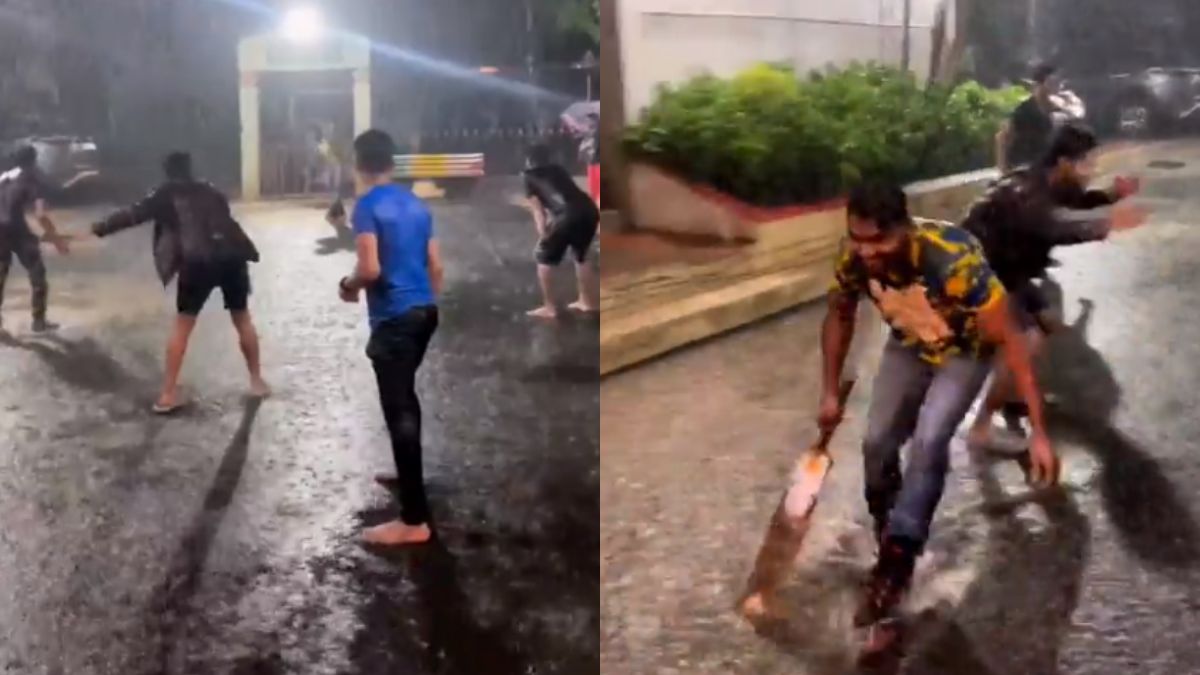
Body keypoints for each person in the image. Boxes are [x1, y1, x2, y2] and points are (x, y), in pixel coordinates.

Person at [819, 183, 1058, 628]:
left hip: (964, 353)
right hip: (909, 344)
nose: (867, 252)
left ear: (905, 230)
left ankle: (897, 561)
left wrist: (1039, 432)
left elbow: (1011, 339)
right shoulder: (853, 256)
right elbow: (840, 314)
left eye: (879, 241)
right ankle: (888, 529)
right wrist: (830, 392)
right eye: (858, 238)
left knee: (930, 440)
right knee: (876, 445)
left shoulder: (954, 259)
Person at [964, 124, 1143, 447]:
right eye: (1086, 163)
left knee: (1047, 324)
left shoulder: (1053, 183)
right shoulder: (1026, 192)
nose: (1092, 170)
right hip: (979, 272)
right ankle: (981, 428)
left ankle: (1010, 392)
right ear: (1063, 162)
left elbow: (1074, 203)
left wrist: (1113, 195)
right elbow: (1052, 225)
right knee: (1026, 341)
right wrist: (1105, 225)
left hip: (1010, 269)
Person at [91, 152, 269, 413]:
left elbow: (134, 214)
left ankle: (167, 394)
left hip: (196, 264)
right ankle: (256, 382)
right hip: (232, 258)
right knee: (241, 318)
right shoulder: (211, 190)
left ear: (167, 172)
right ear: (190, 168)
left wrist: (100, 228)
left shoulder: (165, 194)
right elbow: (226, 222)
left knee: (183, 325)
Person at [337, 129, 444, 546]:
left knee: (399, 408)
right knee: (406, 400)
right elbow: (436, 266)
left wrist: (347, 286)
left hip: (395, 320)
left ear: (359, 164)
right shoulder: (416, 204)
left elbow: (370, 269)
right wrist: (419, 302)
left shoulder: (366, 207)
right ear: (392, 163)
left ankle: (414, 521)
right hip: (424, 313)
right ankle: (408, 472)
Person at [523, 143, 600, 318]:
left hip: (567, 215)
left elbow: (538, 211)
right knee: (581, 255)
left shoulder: (528, 177)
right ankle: (587, 302)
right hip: (588, 209)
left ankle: (550, 307)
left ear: (528, 159)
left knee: (543, 258)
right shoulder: (558, 169)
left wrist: (543, 234)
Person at [0, 145, 70, 334]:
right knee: (37, 274)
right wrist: (57, 240)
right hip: (16, 230)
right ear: (33, 161)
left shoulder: (4, 176)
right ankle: (38, 322)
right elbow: (40, 215)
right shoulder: (31, 179)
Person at [996, 63, 1061, 173]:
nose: (1057, 85)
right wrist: (1003, 171)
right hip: (1023, 168)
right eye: (1052, 81)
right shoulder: (1024, 110)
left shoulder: (1053, 108)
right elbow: (1002, 138)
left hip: (1042, 168)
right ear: (1040, 83)